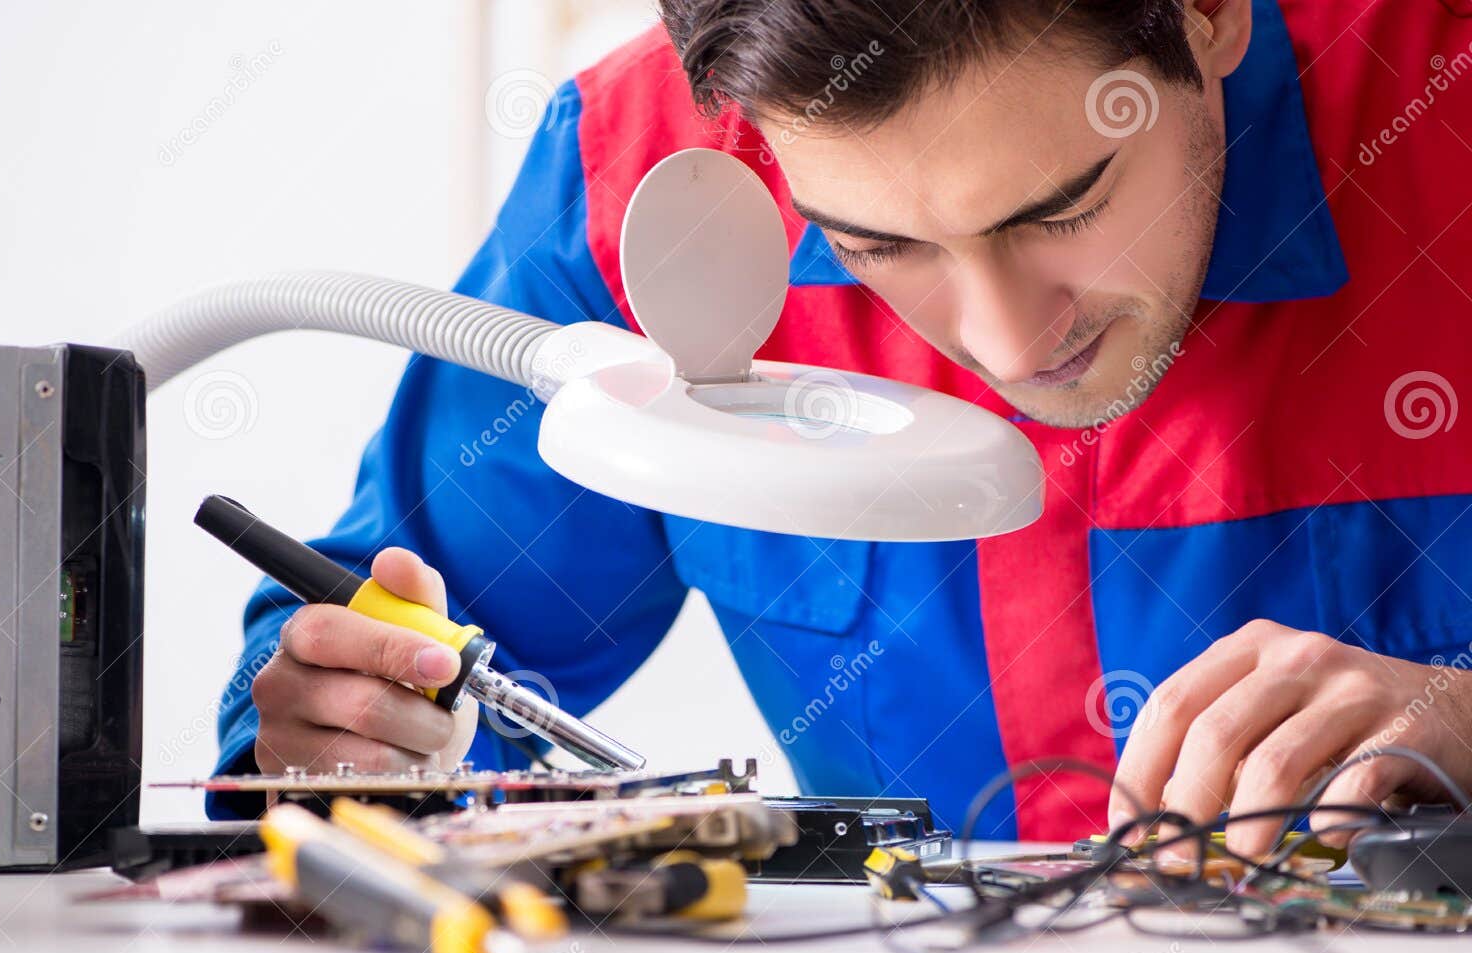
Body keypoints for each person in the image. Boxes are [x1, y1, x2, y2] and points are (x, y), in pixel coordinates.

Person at [215, 0, 1472, 853]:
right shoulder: (645, 187)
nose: (1009, 343)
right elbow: (388, 658)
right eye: (880, 244)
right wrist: (350, 734)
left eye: (1063, 205)